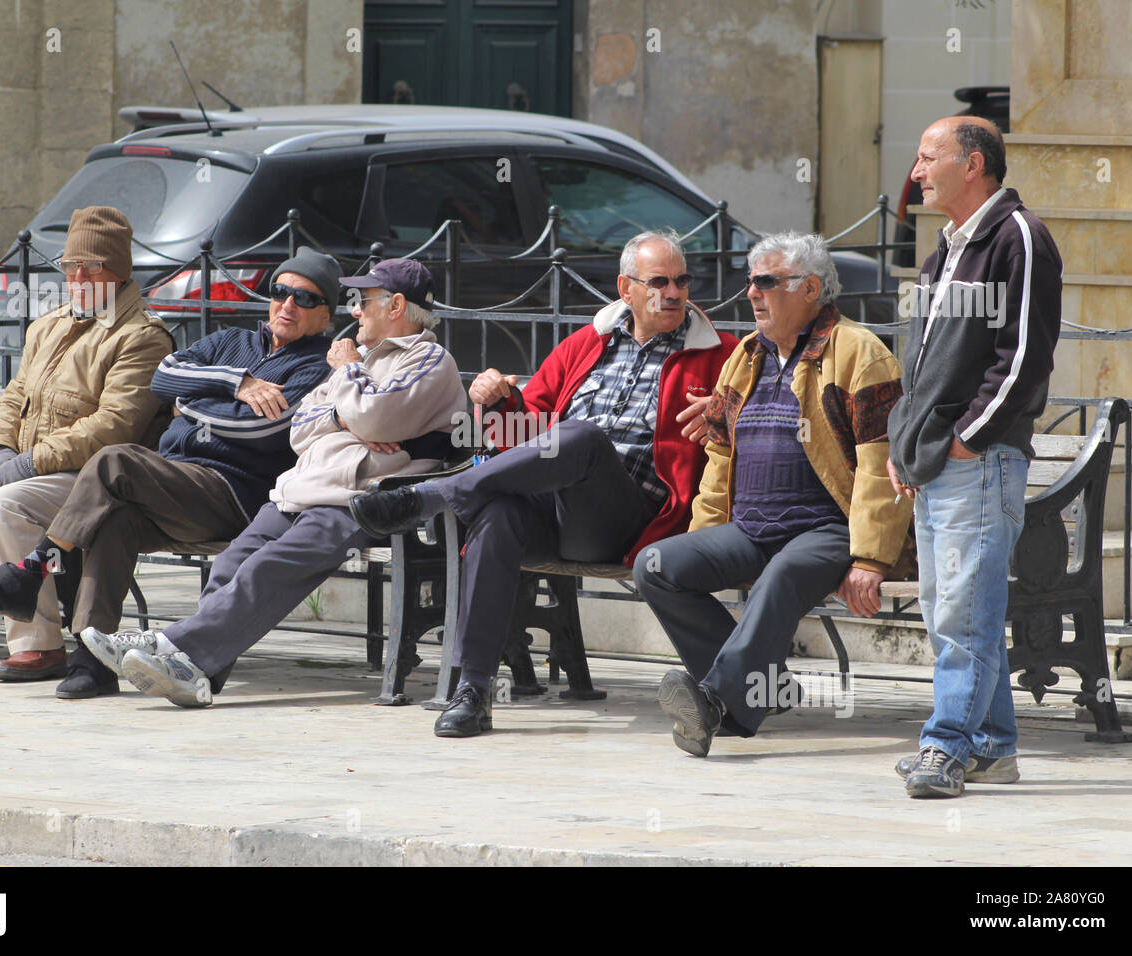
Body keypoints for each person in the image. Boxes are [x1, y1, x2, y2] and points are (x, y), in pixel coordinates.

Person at [349, 231, 739, 737]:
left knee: (580, 437)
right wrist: (500, 399)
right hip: (554, 506)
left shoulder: (723, 355)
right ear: (626, 287)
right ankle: (475, 689)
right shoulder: (587, 343)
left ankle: (438, 494)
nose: (674, 292)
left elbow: (766, 421)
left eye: (682, 281)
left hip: (631, 519)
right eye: (658, 281)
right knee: (496, 515)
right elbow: (528, 423)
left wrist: (726, 412)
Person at [0, 249, 340, 698]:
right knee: (116, 521)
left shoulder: (318, 364)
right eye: (280, 292)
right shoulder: (232, 340)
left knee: (117, 459)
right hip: (172, 479)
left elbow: (259, 426)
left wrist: (195, 400)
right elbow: (165, 377)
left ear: (325, 314)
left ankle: (30, 572)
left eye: (304, 299)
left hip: (231, 493)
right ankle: (91, 661)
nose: (287, 305)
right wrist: (236, 385)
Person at [77, 259, 466, 707]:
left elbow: (373, 417)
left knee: (270, 567)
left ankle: (167, 647)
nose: (355, 311)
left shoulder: (427, 360)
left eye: (365, 301)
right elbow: (300, 429)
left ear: (396, 305)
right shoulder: (353, 358)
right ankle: (195, 674)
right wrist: (346, 415)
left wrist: (349, 386)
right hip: (300, 490)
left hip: (362, 500)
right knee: (230, 565)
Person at [632, 232, 912, 756]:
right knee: (655, 565)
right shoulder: (746, 355)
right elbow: (719, 455)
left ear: (810, 289)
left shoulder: (859, 353)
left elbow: (881, 464)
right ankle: (764, 688)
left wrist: (871, 558)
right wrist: (704, 542)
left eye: (766, 282)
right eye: (750, 282)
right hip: (750, 530)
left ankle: (716, 703)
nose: (752, 294)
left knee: (781, 574)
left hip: (827, 529)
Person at [0, 207, 174, 680]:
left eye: (91, 266)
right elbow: (12, 400)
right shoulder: (47, 327)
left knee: (8, 504)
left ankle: (40, 645)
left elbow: (115, 427)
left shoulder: (142, 337)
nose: (78, 276)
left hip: (92, 479)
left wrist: (28, 463)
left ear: (119, 270)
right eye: (70, 266)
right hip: (31, 469)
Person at [888, 116, 1062, 798]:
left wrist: (969, 438)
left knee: (962, 613)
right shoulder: (946, 249)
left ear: (975, 164)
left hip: (978, 462)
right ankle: (992, 748)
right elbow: (921, 364)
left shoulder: (1018, 237)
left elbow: (1023, 359)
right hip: (940, 462)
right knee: (948, 609)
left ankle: (946, 746)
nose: (917, 170)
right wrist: (910, 444)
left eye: (929, 156)